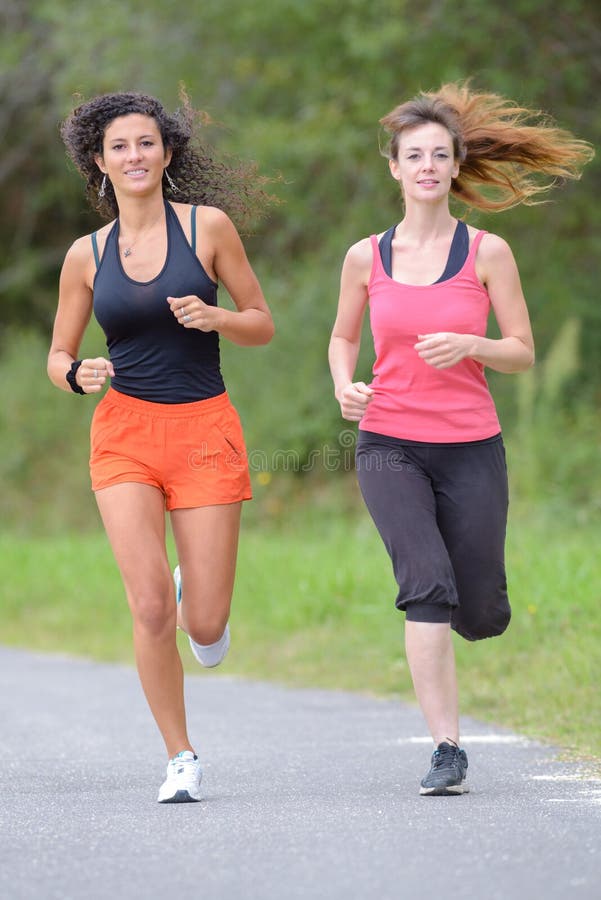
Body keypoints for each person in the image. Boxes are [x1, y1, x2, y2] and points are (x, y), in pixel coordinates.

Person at [328, 82, 593, 796]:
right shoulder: (365, 257)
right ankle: (447, 747)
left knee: (478, 610)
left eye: (437, 155)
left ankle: (476, 616)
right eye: (412, 154)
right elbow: (342, 335)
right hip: (388, 443)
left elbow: (522, 351)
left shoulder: (487, 252)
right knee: (426, 588)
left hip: (472, 444)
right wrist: (342, 384)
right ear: (394, 167)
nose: (425, 166)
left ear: (453, 166)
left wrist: (472, 343)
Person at [48, 91, 274, 803]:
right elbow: (58, 355)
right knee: (148, 608)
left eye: (146, 143)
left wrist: (216, 316)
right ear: (99, 162)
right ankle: (180, 756)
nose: (134, 156)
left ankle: (194, 595)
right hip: (124, 437)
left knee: (202, 624)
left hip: (205, 429)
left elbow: (262, 322)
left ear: (167, 153)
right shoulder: (84, 256)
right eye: (119, 146)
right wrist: (77, 375)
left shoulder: (207, 228)